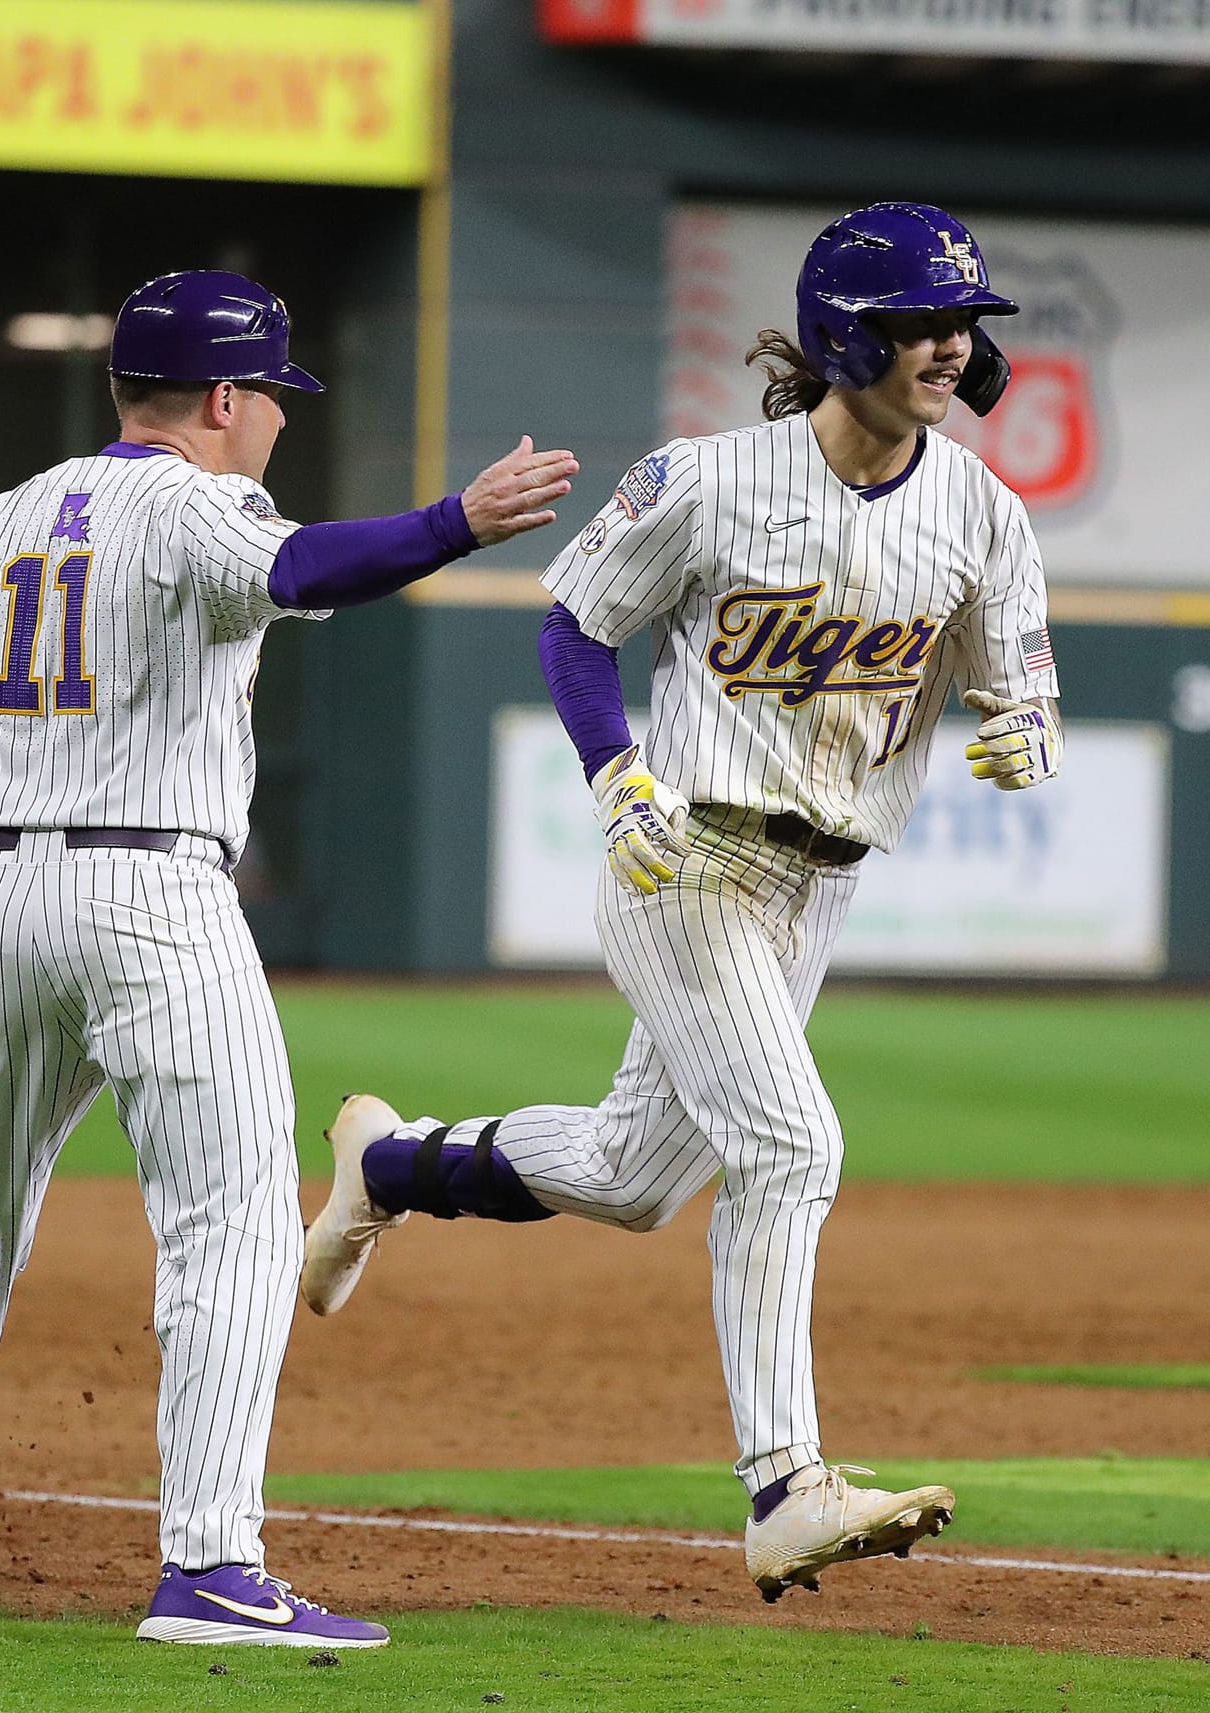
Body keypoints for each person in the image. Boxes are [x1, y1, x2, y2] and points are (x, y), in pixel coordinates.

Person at [0, 269, 577, 1647]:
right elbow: (304, 566)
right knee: (234, 1217)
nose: (277, 421)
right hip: (154, 893)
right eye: (271, 396)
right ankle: (211, 1566)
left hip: (6, 900)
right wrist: (459, 518)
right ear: (222, 399)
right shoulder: (200, 501)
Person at [301, 204, 1063, 1603]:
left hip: (818, 885)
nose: (953, 344)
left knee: (638, 1178)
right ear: (848, 333)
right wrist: (615, 776)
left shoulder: (985, 514)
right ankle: (787, 1485)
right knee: (788, 1143)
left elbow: (1020, 679)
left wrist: (1027, 726)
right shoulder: (710, 480)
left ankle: (389, 1167)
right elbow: (575, 620)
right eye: (922, 321)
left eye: (965, 322)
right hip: (685, 858)